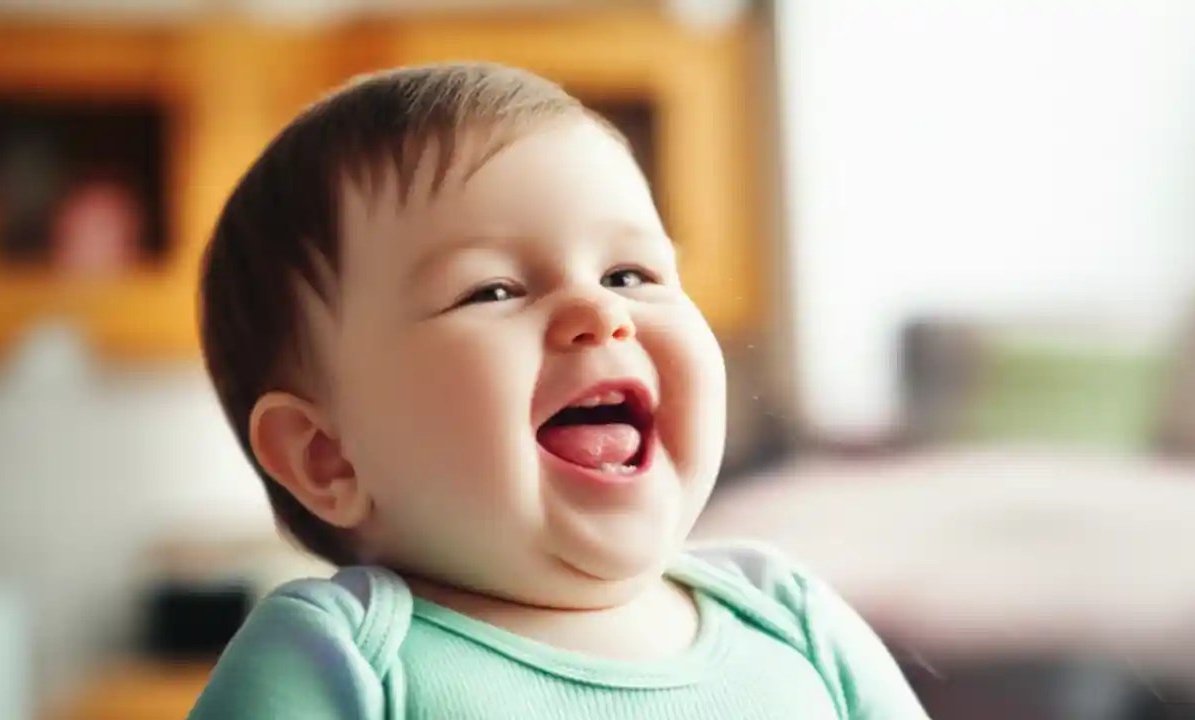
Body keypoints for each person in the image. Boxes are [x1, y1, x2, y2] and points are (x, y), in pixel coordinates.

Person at [190, 63, 927, 719]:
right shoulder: (341, 661)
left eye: (629, 275)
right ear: (329, 459)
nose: (600, 315)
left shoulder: (790, 619)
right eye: (493, 289)